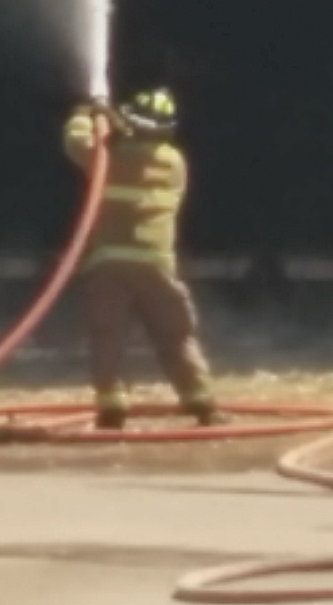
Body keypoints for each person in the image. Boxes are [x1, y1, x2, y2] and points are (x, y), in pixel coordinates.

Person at [63, 88, 224, 430]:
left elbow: (76, 146)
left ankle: (112, 408)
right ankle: (201, 402)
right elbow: (138, 143)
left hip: (107, 264)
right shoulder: (174, 162)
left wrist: (84, 115)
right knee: (176, 334)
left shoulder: (109, 158)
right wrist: (111, 118)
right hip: (156, 265)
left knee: (108, 335)